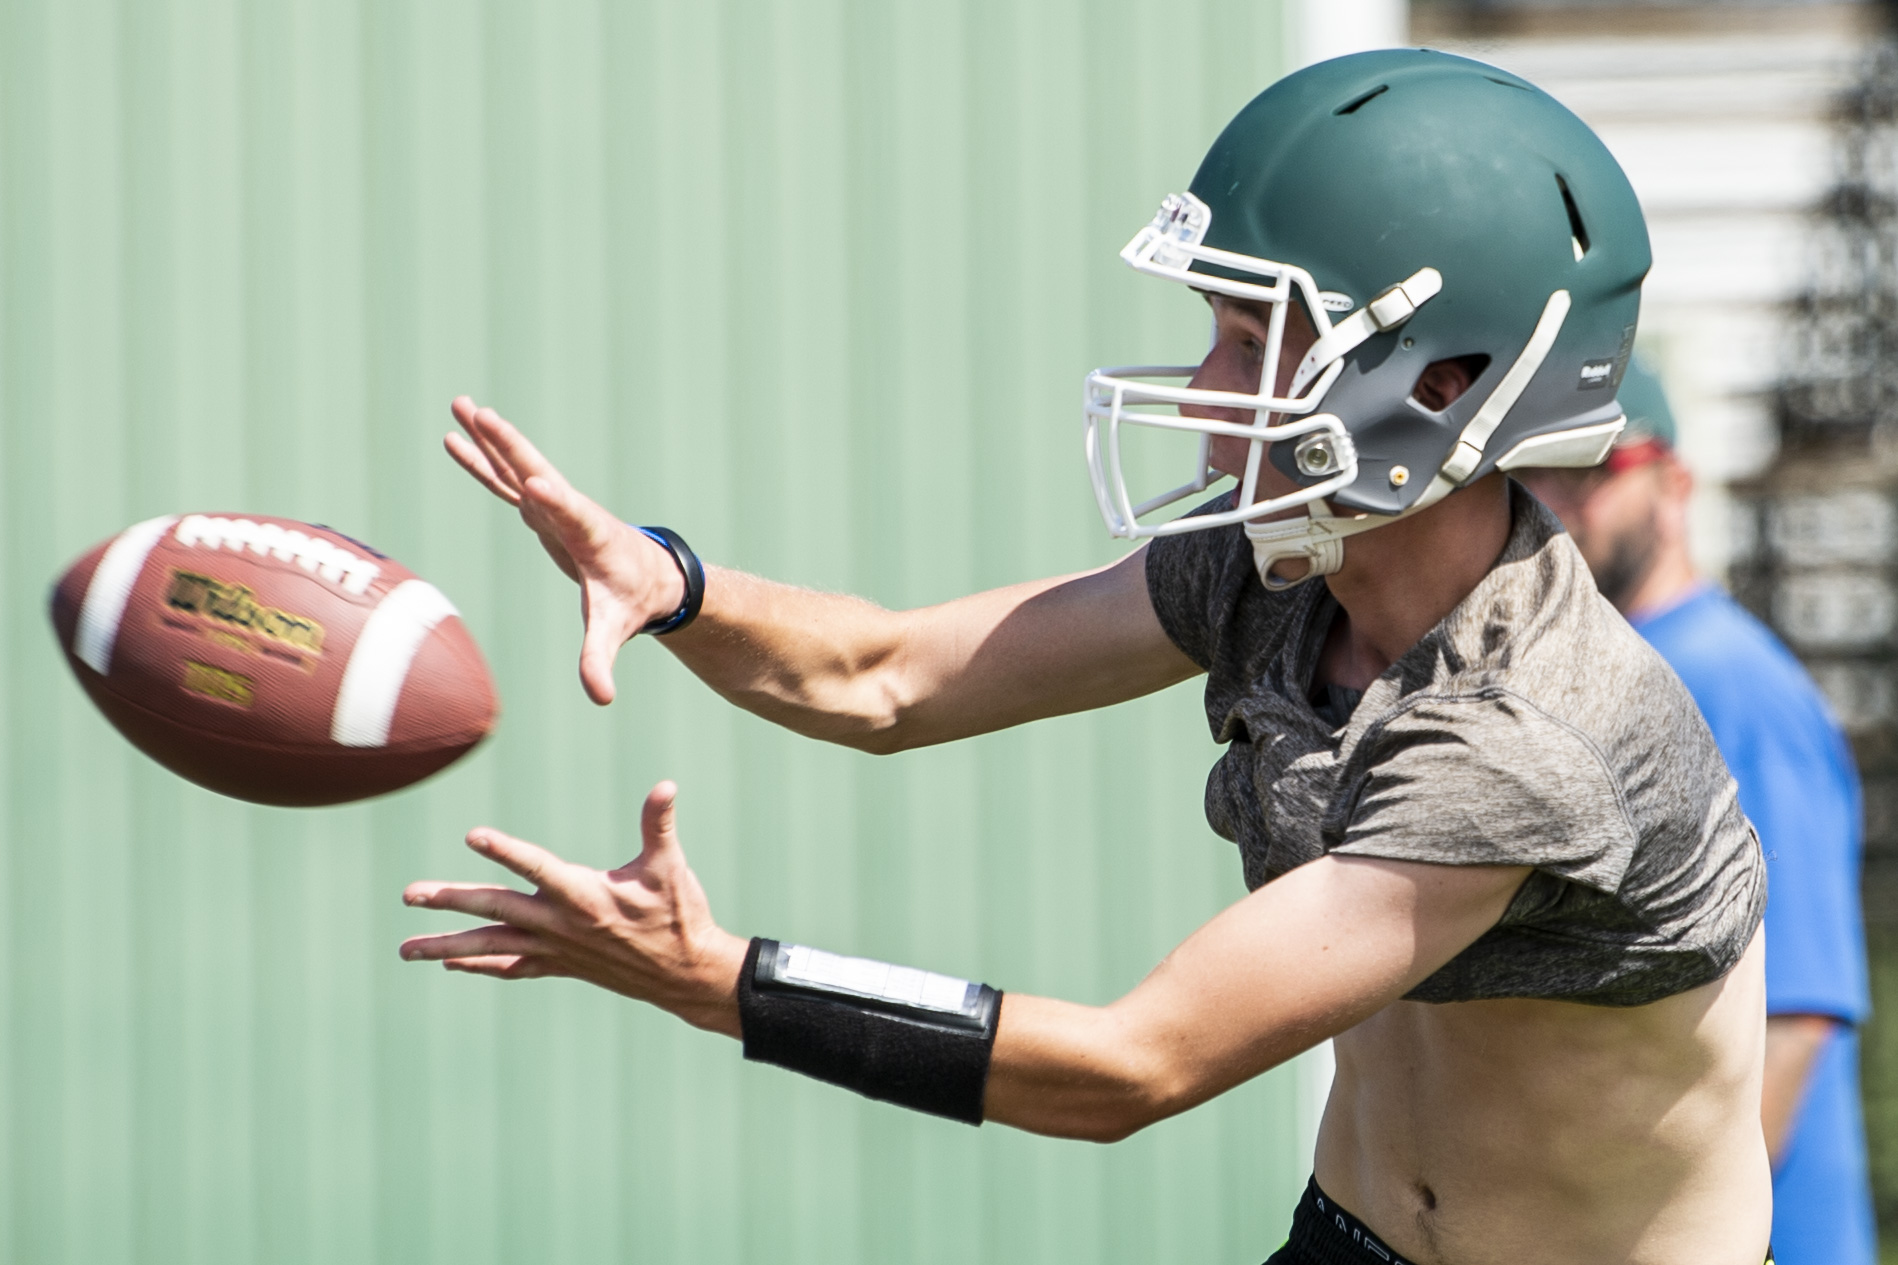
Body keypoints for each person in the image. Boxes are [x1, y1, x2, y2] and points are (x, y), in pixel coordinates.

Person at [401, 51, 1775, 1264]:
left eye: (1252, 341)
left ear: (1441, 386)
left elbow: (1134, 1064)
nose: (1206, 385)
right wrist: (676, 582)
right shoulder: (1287, 572)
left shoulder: (1530, 727)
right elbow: (885, 677)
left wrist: (725, 983)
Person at [1516, 360, 1873, 1265]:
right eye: (1532, 477)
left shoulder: (1729, 682)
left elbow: (1796, 1014)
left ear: (1674, 483)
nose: (1556, 503)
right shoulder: (1596, 672)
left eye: (1592, 472)